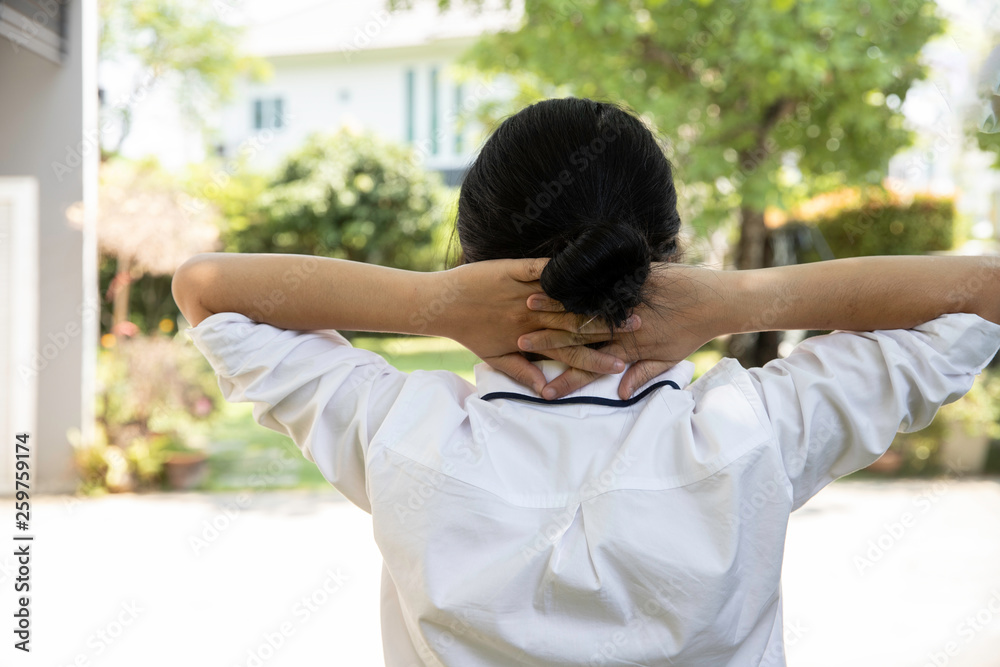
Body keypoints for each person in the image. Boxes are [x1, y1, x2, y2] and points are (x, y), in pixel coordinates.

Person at [171, 97, 1000, 666]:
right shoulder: (757, 431)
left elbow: (208, 290)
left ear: (471, 265)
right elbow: (984, 291)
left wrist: (428, 303)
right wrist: (738, 298)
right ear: (667, 258)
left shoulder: (399, 432)